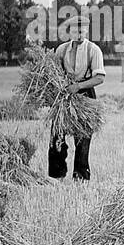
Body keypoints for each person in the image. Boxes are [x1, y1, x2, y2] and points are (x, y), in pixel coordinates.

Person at [49, 17, 105, 181]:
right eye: (75, 31)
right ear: (70, 32)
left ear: (86, 31)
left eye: (81, 31)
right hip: (64, 95)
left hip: (85, 95)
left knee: (83, 139)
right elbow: (54, 72)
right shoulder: (61, 49)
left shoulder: (93, 50)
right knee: (56, 136)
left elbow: (100, 78)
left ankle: (80, 177)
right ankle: (57, 176)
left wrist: (78, 87)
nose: (78, 34)